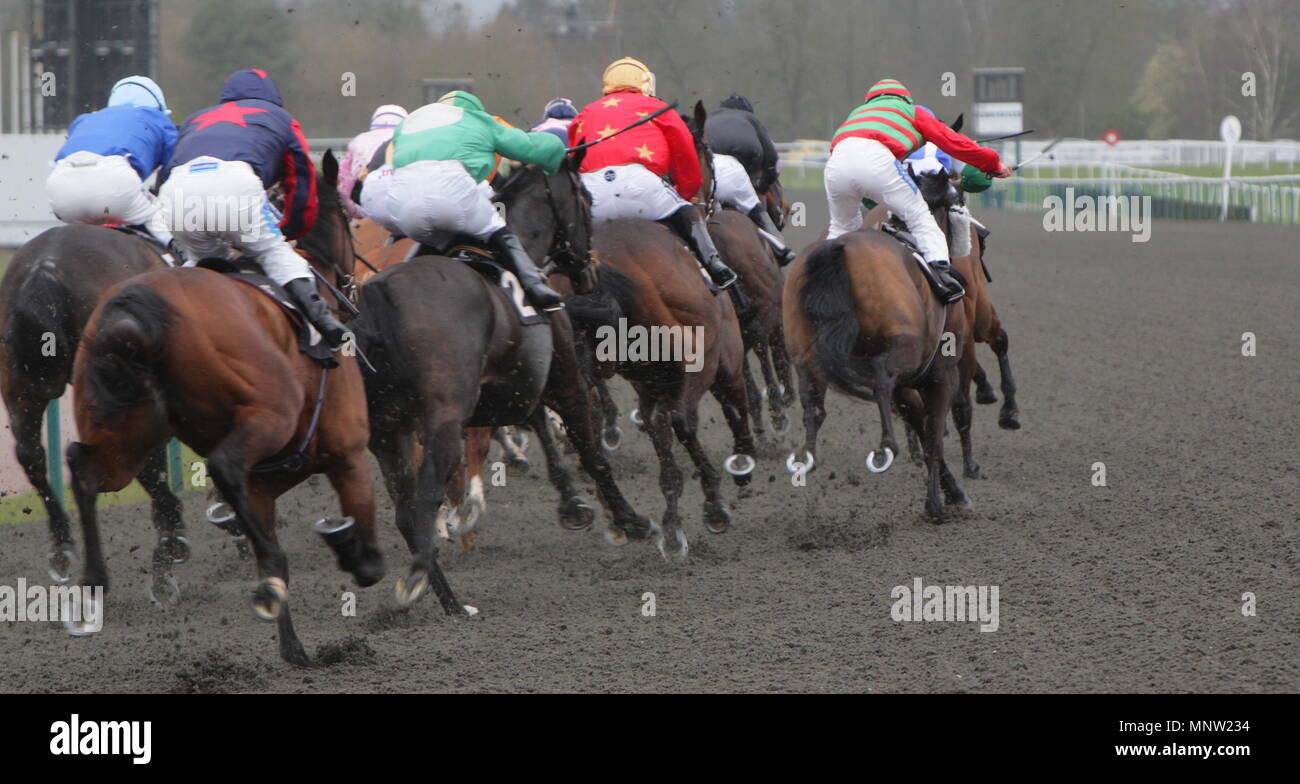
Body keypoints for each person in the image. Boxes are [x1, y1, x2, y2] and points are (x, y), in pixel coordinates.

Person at [158, 68, 348, 347]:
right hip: (234, 184)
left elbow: (166, 173)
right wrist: (291, 230)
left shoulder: (194, 119)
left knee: (203, 262)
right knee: (276, 254)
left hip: (177, 192)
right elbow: (301, 178)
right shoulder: (282, 118)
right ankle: (323, 325)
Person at [824, 79, 1011, 302]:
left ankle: (825, 275)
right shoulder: (912, 112)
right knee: (919, 217)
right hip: (875, 162)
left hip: (836, 164)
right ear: (904, 99)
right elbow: (955, 143)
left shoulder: (858, 114)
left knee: (842, 226)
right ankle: (942, 274)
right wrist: (993, 165)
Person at [384, 90, 566, 310]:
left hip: (402, 205)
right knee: (496, 228)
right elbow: (529, 148)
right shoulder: (478, 120)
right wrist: (558, 151)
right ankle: (535, 286)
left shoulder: (410, 121)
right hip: (449, 195)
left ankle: (396, 293)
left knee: (432, 239)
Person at [570, 57, 737, 290]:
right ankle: (715, 266)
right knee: (685, 210)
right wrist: (686, 192)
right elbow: (685, 151)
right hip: (640, 186)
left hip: (592, 193)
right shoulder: (656, 107)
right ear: (646, 84)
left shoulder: (586, 112)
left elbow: (573, 158)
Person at [45, 76, 179, 256]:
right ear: (158, 106)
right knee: (156, 217)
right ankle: (181, 255)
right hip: (114, 183)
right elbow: (174, 166)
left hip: (61, 188)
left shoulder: (83, 119)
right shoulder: (157, 118)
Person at [338, 104, 407, 218]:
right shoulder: (405, 139)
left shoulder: (358, 140)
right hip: (401, 207)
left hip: (365, 205)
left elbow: (344, 181)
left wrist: (356, 212)